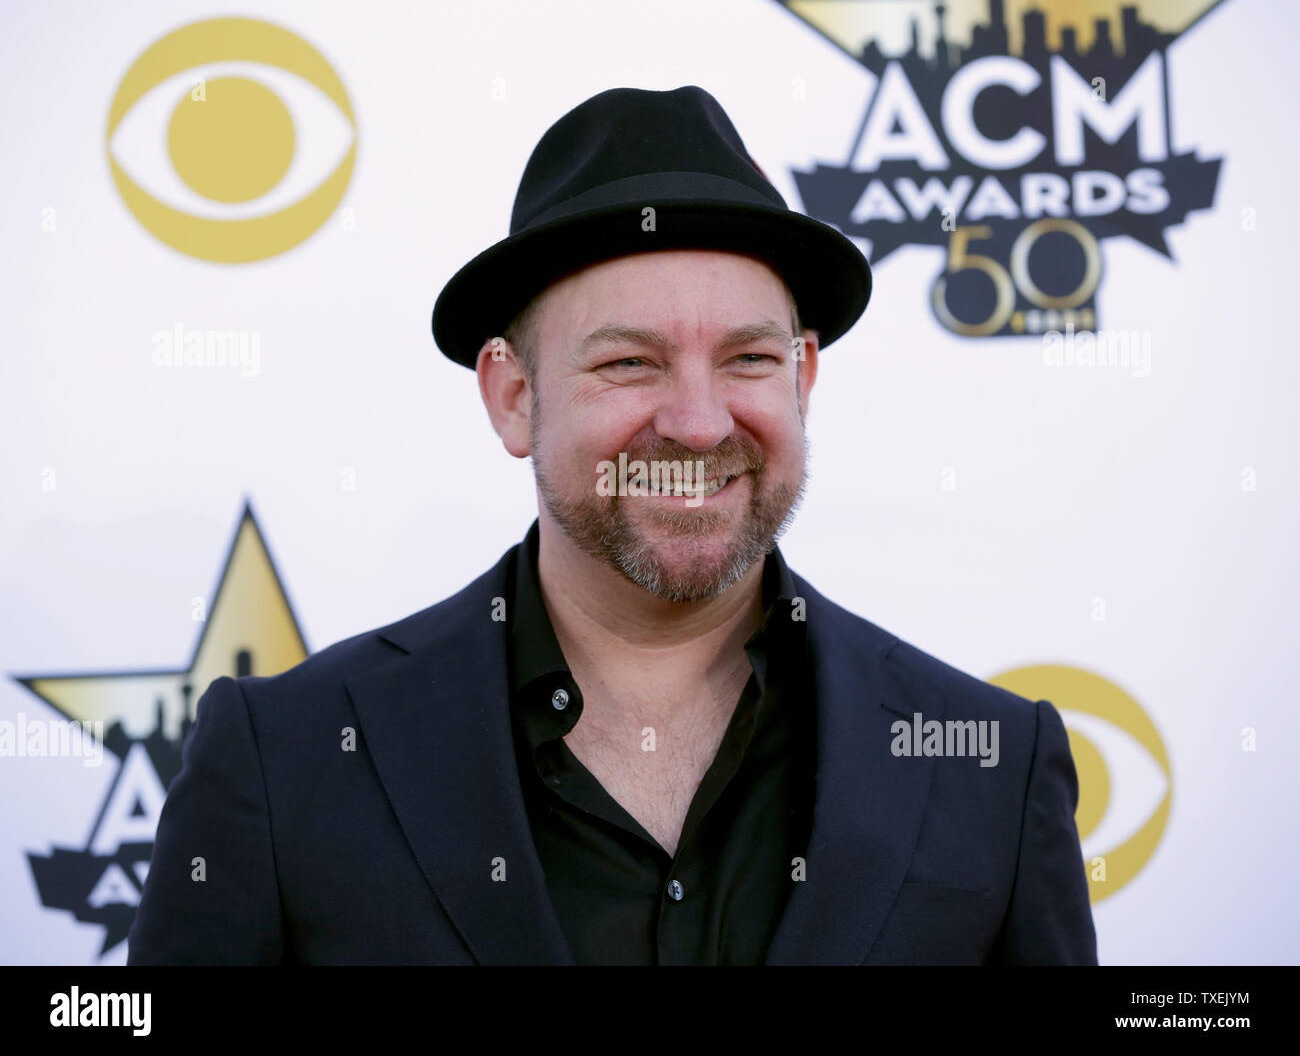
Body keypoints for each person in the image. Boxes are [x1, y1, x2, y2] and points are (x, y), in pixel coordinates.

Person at [127, 85, 1097, 965]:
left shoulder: (991, 767)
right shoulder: (284, 759)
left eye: (748, 359)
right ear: (512, 396)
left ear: (803, 378)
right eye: (629, 362)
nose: (699, 420)